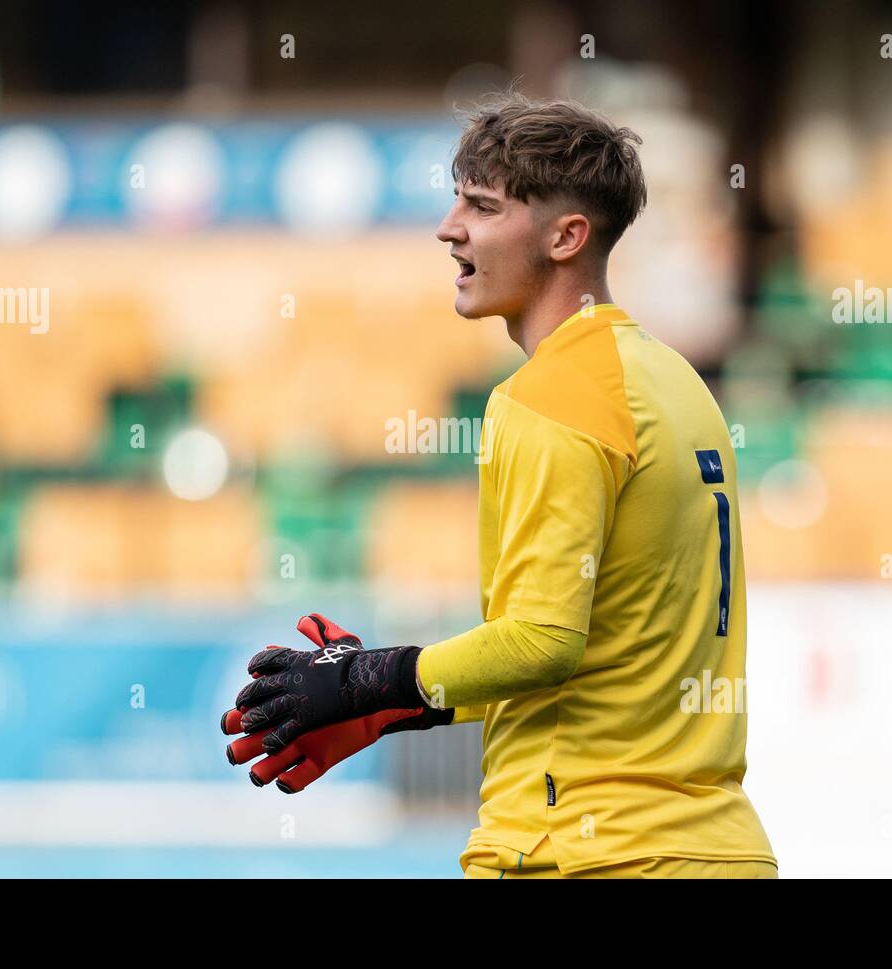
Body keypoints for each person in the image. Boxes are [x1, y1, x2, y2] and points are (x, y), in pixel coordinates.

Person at [224, 92, 777, 879]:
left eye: (481, 207)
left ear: (565, 235)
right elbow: (599, 650)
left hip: (582, 851)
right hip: (712, 848)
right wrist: (387, 706)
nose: (449, 228)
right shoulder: (675, 381)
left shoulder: (550, 392)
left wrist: (363, 675)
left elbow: (543, 643)